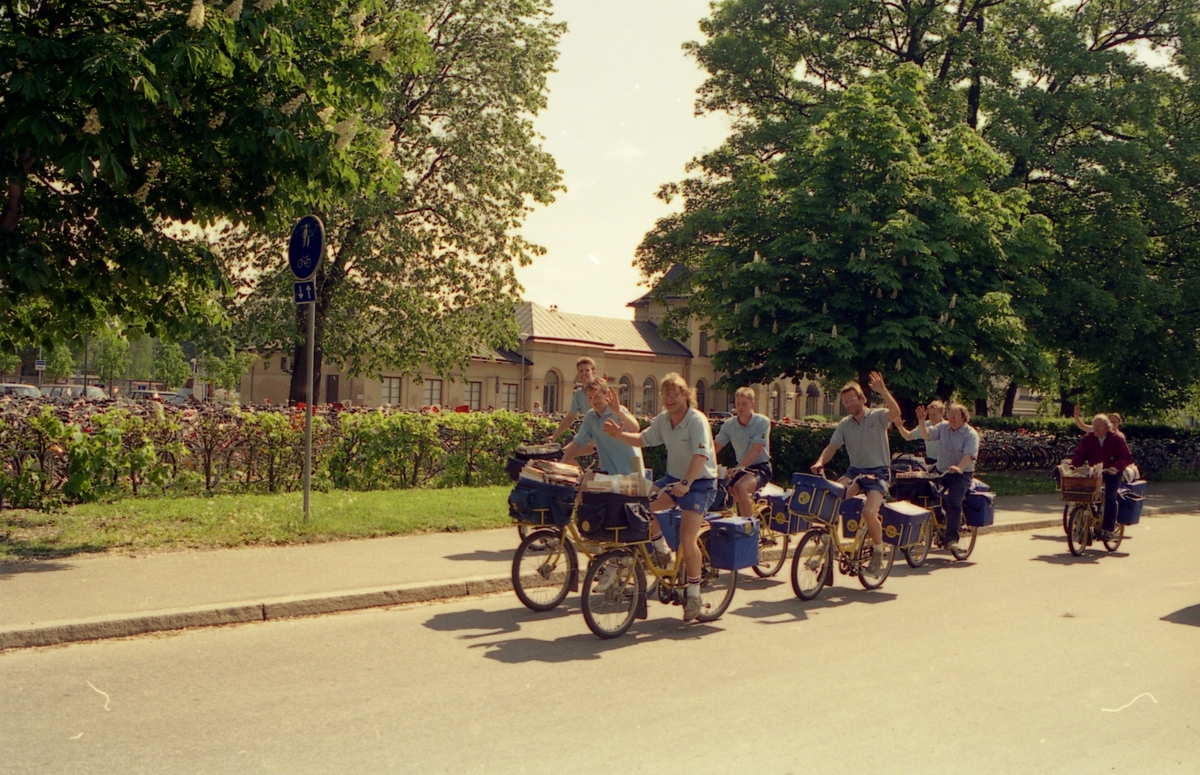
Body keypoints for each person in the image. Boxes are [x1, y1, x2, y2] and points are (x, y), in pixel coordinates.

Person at [604, 372, 717, 621]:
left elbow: (701, 456)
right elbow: (644, 439)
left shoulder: (697, 421)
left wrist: (687, 483)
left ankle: (695, 595)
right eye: (665, 394)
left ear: (685, 396)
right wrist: (618, 435)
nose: (668, 399)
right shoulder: (664, 420)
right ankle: (661, 550)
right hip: (673, 479)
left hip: (699, 483)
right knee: (641, 506)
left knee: (687, 539)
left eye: (674, 394)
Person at [810, 372, 902, 573]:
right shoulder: (845, 424)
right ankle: (827, 544)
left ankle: (878, 551)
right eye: (845, 402)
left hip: (878, 472)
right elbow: (832, 447)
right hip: (855, 471)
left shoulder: (877, 416)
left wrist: (883, 390)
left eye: (852, 400)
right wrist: (819, 462)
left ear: (862, 399)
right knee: (831, 499)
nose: (849, 404)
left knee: (869, 513)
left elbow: (895, 414)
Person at [920, 402, 980, 554]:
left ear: (963, 418)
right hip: (942, 471)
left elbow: (969, 455)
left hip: (962, 474)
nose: (951, 419)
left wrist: (959, 467)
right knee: (926, 492)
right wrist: (921, 420)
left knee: (954, 501)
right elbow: (926, 435)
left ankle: (952, 538)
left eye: (955, 416)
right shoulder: (942, 428)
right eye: (950, 416)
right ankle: (939, 521)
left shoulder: (970, 434)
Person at [560, 377, 643, 475]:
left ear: (606, 395)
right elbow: (578, 442)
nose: (593, 401)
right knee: (584, 483)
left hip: (630, 473)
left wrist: (618, 411)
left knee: (586, 482)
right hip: (608, 472)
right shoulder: (590, 417)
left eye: (597, 397)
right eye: (590, 398)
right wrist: (561, 464)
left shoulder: (618, 411)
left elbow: (635, 428)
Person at [1070, 413, 1132, 540]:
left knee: (1110, 497)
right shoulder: (1089, 438)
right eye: (1094, 426)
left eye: (1099, 427)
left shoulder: (1117, 438)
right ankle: (1090, 518)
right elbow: (1080, 454)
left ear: (1106, 427)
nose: (1095, 429)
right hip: (1095, 471)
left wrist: (1116, 467)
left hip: (1112, 471)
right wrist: (1072, 466)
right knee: (1086, 494)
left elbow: (1126, 456)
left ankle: (1108, 529)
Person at [714, 387, 772, 517]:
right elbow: (716, 445)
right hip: (742, 468)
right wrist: (702, 460)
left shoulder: (762, 422)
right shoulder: (729, 425)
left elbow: (757, 449)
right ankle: (738, 521)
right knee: (725, 492)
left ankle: (749, 527)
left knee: (740, 487)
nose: (740, 407)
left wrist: (739, 467)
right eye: (738, 404)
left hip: (760, 468)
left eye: (744, 404)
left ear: (752, 404)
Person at [550, 357, 597, 441]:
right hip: (591, 432)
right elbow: (570, 417)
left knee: (568, 453)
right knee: (565, 453)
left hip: (605, 432)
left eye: (587, 370)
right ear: (578, 373)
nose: (584, 373)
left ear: (593, 372)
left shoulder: (600, 390)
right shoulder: (578, 394)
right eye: (581, 371)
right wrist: (555, 436)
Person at [914, 400, 947, 466]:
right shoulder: (925, 424)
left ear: (942, 413)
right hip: (929, 460)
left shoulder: (948, 426)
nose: (932, 417)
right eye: (930, 414)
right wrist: (899, 426)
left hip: (945, 461)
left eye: (934, 414)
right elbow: (908, 436)